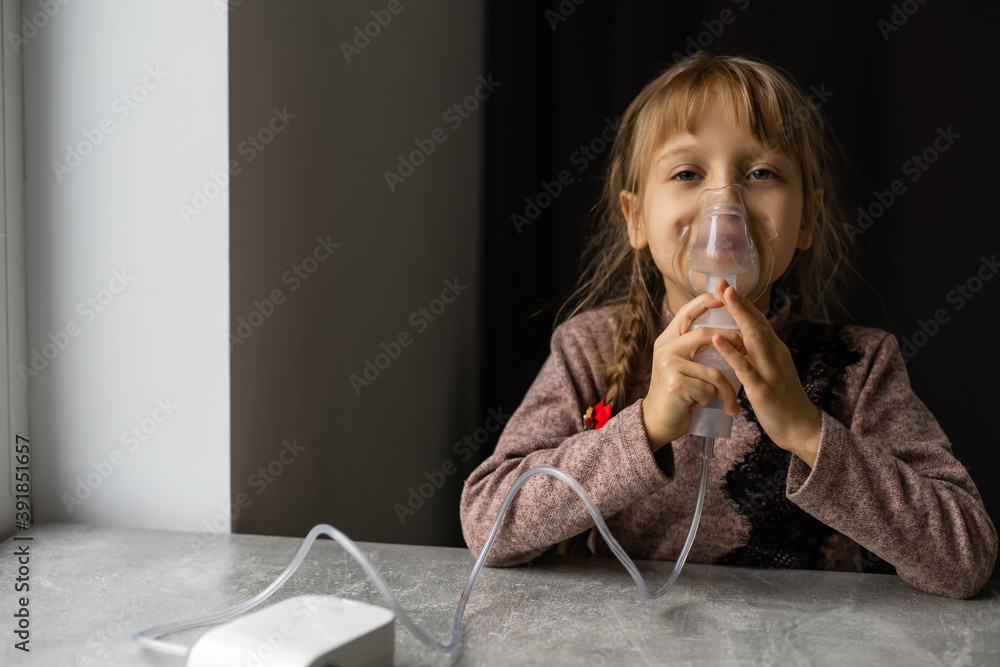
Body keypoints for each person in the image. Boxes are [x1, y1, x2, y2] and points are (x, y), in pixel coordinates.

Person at [459, 52, 998, 599]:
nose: (725, 200)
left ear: (807, 218)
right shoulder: (591, 349)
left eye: (760, 173)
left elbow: (965, 558)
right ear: (636, 217)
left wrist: (807, 430)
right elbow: (486, 524)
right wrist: (645, 428)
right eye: (687, 173)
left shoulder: (859, 364)